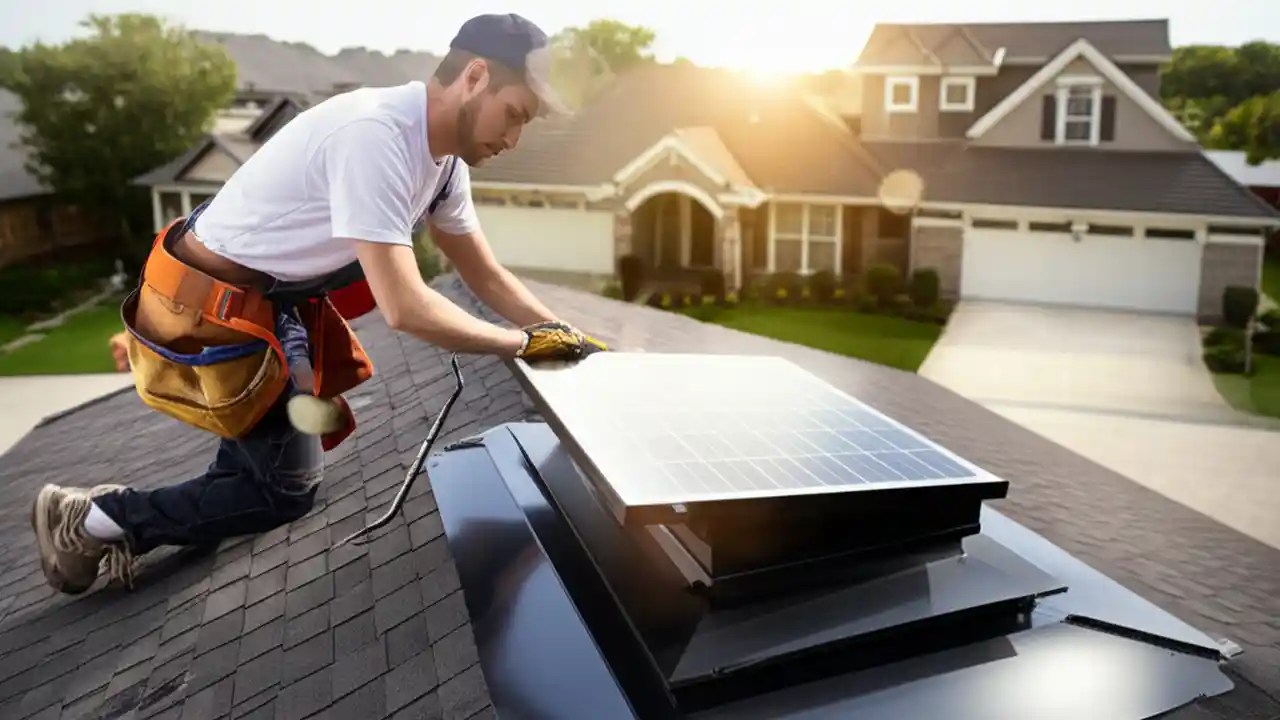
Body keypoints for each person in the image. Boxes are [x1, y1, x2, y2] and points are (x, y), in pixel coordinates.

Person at [30, 13, 606, 595]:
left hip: (270, 302)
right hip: (215, 309)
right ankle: (93, 520)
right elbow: (406, 306)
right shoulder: (376, 137)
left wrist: (571, 336)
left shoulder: (444, 165)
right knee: (282, 491)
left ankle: (131, 515)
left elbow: (482, 270)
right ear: (476, 76)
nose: (513, 140)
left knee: (256, 472)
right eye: (515, 115)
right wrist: (524, 344)